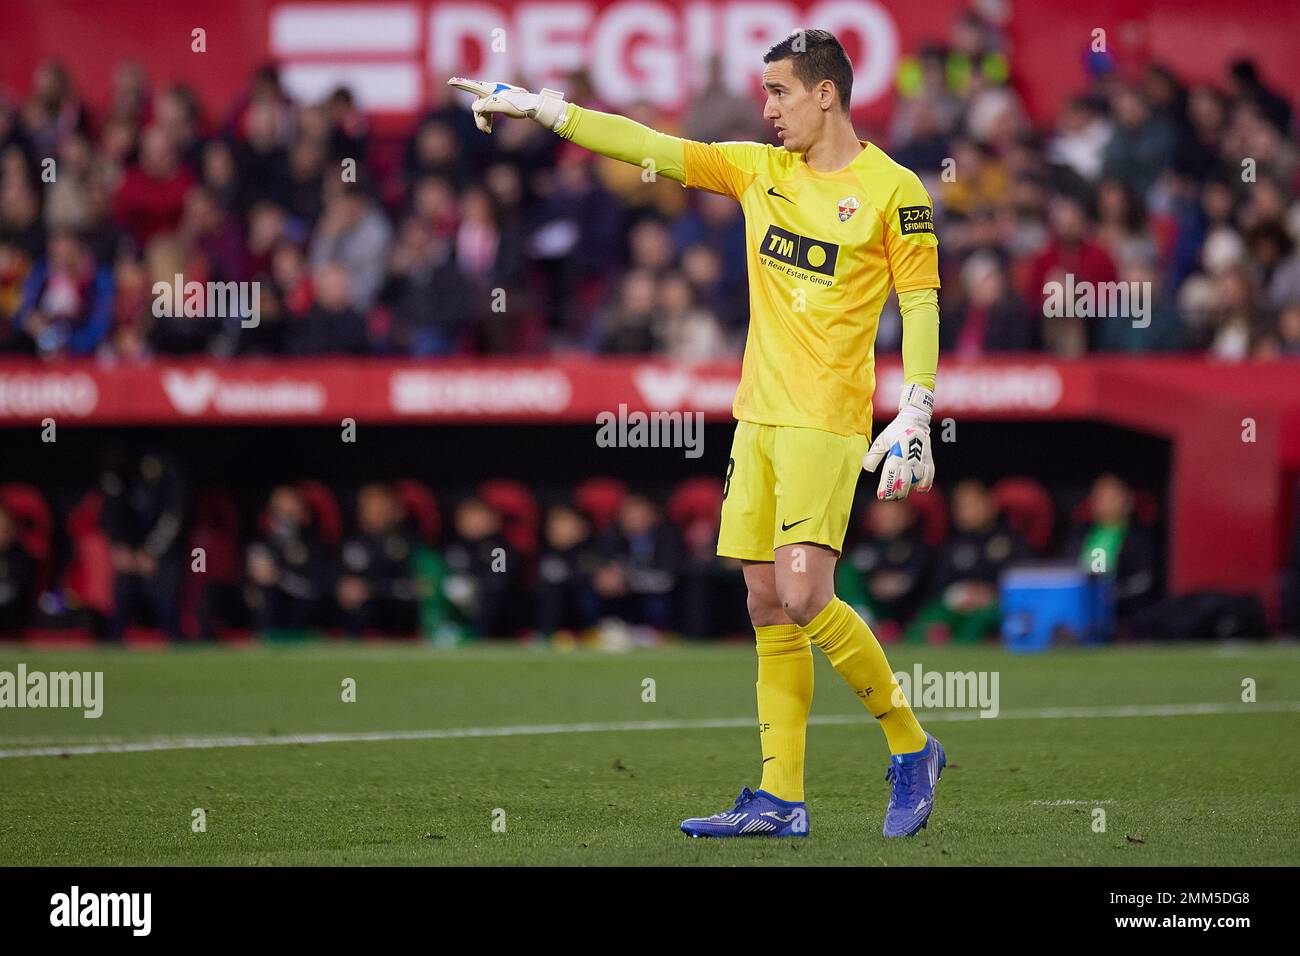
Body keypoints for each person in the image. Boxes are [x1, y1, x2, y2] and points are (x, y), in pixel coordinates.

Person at [450, 27, 946, 838]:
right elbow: (655, 147)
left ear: (827, 92)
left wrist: (919, 405)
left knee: (804, 594)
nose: (768, 108)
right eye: (765, 93)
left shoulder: (897, 191)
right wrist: (550, 112)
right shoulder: (758, 170)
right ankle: (780, 798)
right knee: (763, 601)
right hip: (756, 419)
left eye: (781, 91)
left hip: (826, 420)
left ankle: (909, 743)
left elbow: (921, 301)